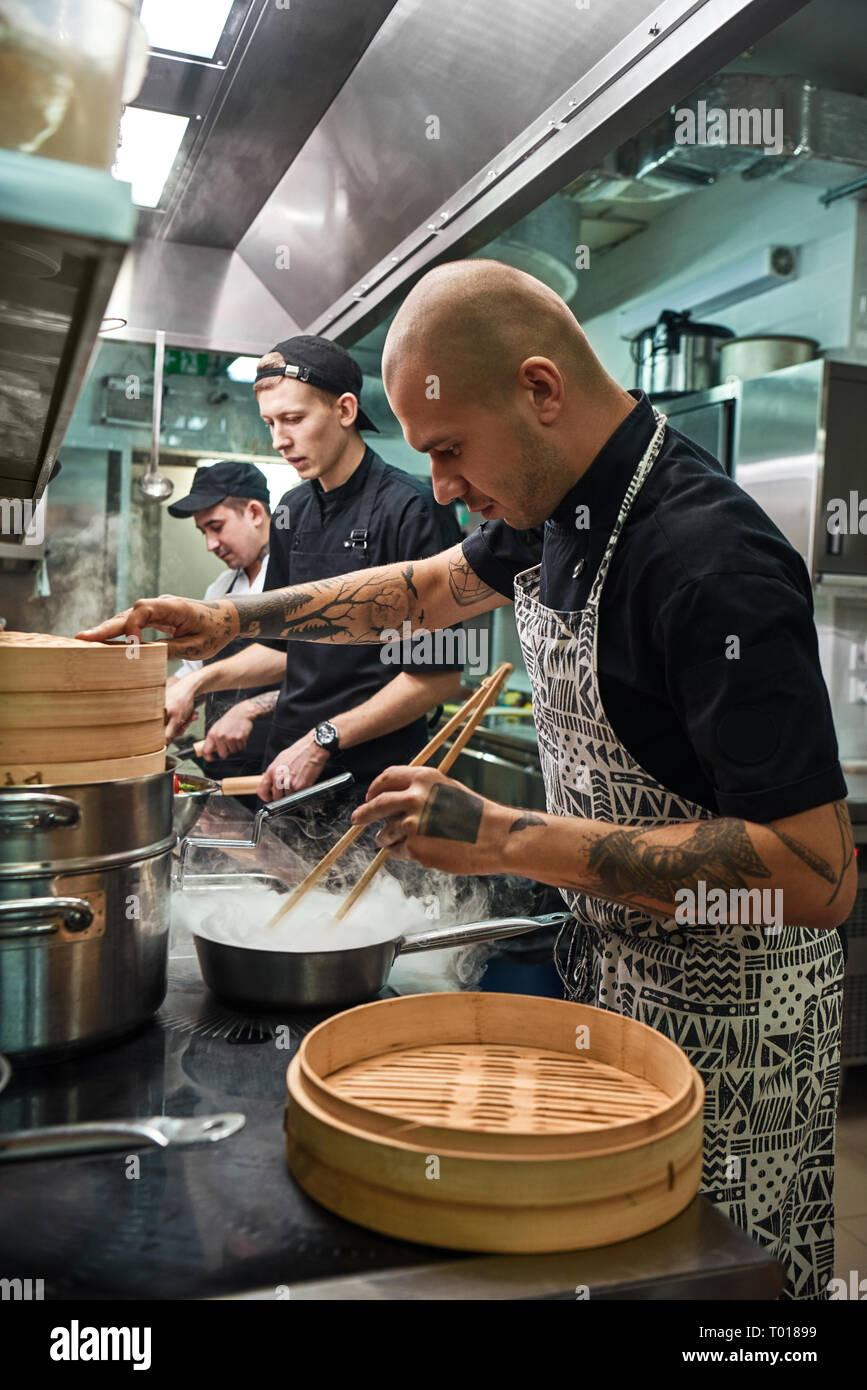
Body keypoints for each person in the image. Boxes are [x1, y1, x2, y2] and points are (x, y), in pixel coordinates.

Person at [78, 261, 855, 1299]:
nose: (438, 486)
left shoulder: (709, 558)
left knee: (719, 1295)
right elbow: (427, 588)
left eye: (447, 449)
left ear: (540, 390)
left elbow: (815, 874)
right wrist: (230, 621)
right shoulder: (560, 503)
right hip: (611, 983)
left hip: (738, 1035)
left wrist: (504, 837)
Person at [161, 334, 464, 802]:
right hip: (286, 772)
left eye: (293, 419)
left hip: (368, 779)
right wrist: (197, 681)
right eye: (270, 423)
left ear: (344, 411)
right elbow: (283, 650)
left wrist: (324, 738)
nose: (279, 440)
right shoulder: (292, 511)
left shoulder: (412, 509)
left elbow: (437, 676)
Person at [164, 461, 279, 784]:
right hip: (221, 765)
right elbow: (193, 670)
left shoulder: (300, 582)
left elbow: (311, 669)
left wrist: (248, 709)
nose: (210, 545)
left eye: (216, 527)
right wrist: (160, 699)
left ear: (254, 513)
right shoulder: (220, 588)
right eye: (203, 532)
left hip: (279, 767)